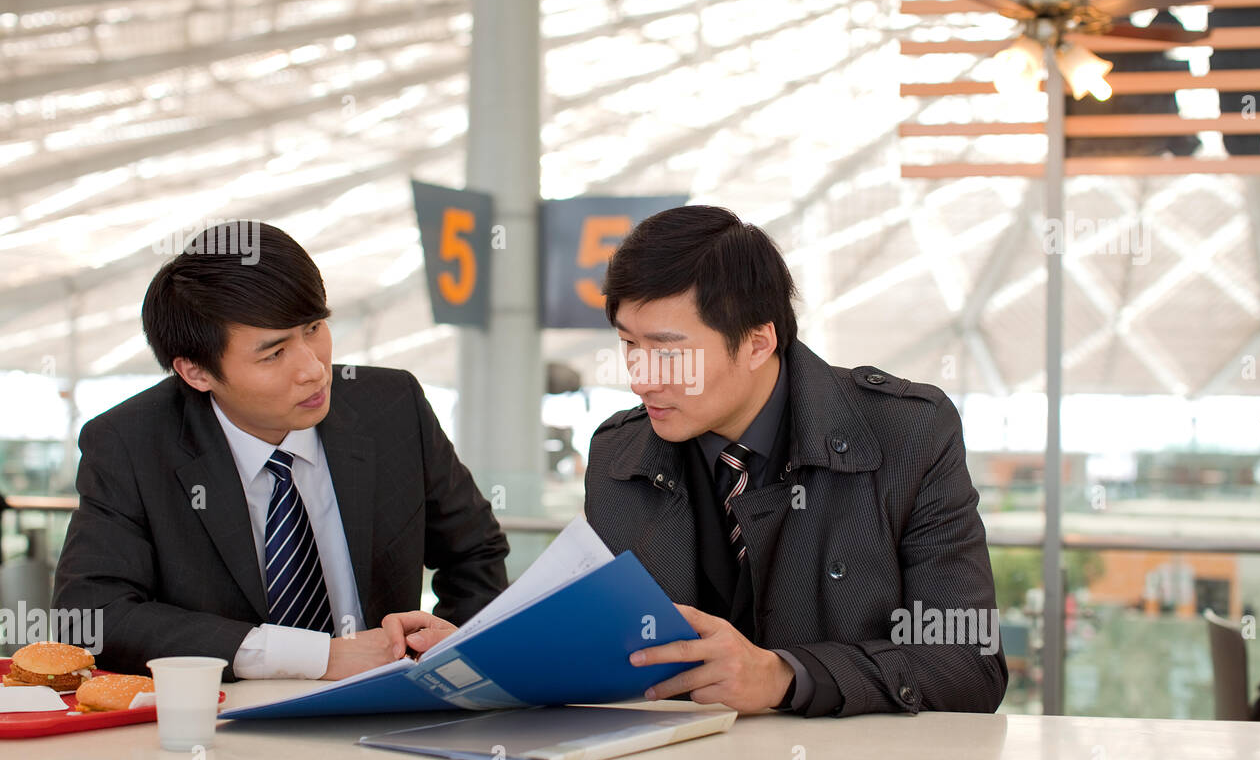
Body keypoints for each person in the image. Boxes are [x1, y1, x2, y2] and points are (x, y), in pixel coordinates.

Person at [584, 205, 1007, 717]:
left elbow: (968, 664)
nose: (641, 379)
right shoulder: (617, 455)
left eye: (670, 353)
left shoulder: (909, 437)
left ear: (758, 343)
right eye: (629, 344)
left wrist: (787, 676)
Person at [53, 221, 508, 682]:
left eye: (314, 329)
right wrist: (317, 656)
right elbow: (90, 614)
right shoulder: (132, 442)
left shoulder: (391, 407)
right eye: (273, 354)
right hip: (226, 727)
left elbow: (474, 550)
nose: (313, 370)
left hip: (386, 710)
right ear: (196, 373)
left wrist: (451, 654)